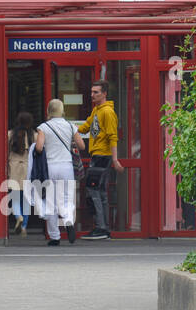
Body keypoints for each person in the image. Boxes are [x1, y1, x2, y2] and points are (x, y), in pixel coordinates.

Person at [35, 99, 84, 246]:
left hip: (50, 167)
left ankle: (55, 237)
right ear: (62, 110)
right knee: (67, 198)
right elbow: (81, 145)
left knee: (51, 201)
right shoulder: (70, 126)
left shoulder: (44, 127)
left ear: (49, 111)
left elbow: (39, 147)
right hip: (66, 166)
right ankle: (68, 219)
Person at [78, 80, 121, 240]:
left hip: (103, 156)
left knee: (93, 190)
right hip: (98, 155)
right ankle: (103, 227)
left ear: (104, 93)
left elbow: (113, 136)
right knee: (99, 191)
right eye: (91, 92)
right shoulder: (96, 110)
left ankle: (101, 227)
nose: (92, 95)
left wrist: (115, 159)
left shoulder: (107, 112)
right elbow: (84, 128)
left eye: (96, 92)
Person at [7, 111, 35, 236]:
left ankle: (18, 216)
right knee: (26, 200)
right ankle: (24, 227)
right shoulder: (34, 135)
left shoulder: (10, 134)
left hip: (14, 167)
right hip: (27, 167)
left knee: (15, 198)